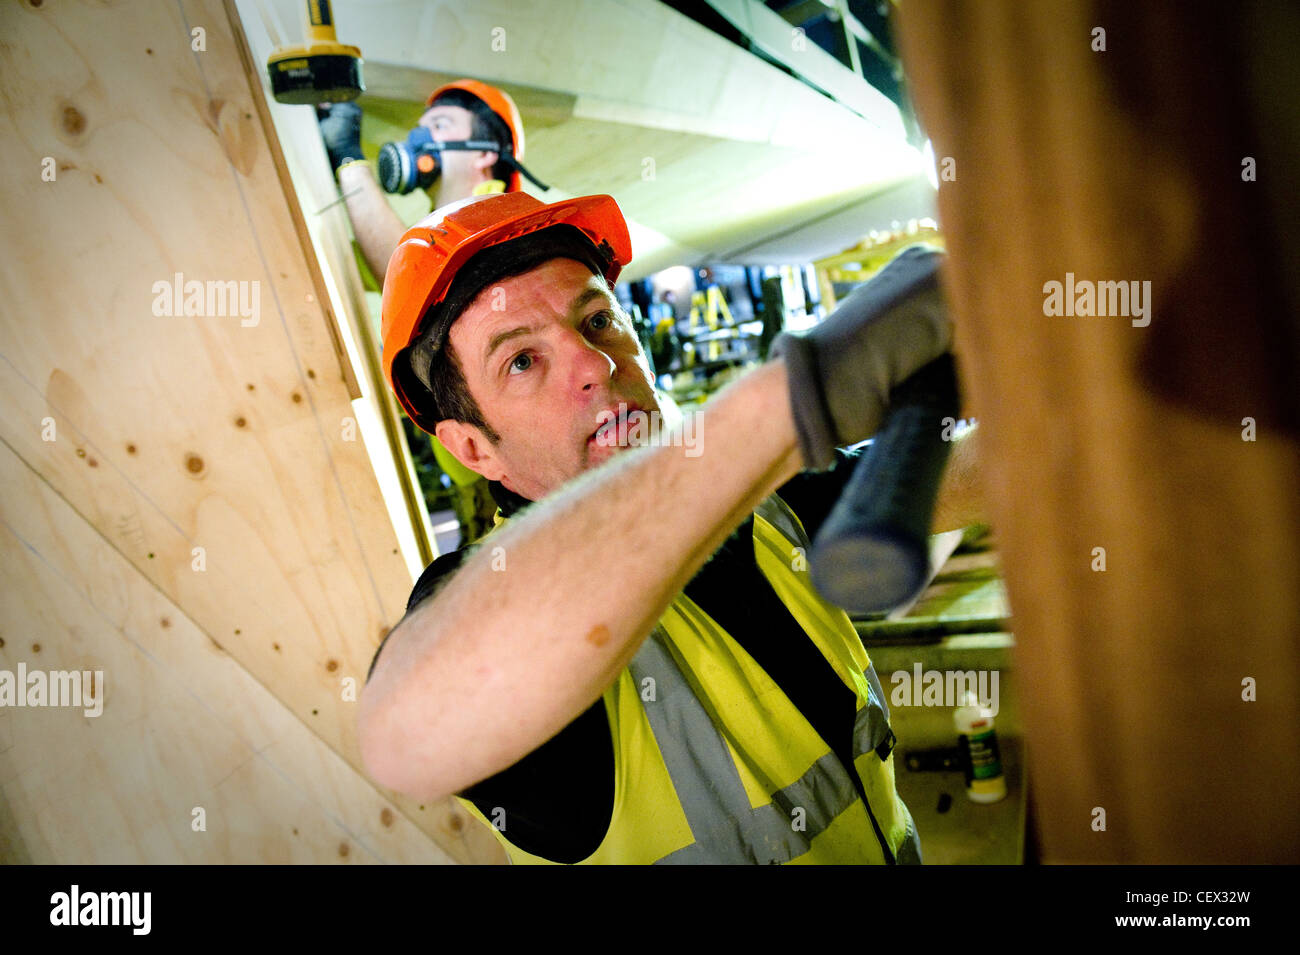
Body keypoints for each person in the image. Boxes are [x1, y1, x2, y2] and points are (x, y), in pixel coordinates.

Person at [359, 190, 984, 864]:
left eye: (597, 319)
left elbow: (983, 470)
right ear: (474, 448)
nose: (595, 365)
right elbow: (404, 733)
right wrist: (791, 398)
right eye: (522, 360)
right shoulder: (484, 602)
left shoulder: (763, 505)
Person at [318, 79, 533, 542]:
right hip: (483, 483)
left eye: (439, 125)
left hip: (525, 482)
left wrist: (351, 163)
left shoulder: (504, 221)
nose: (420, 138)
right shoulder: (429, 233)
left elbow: (410, 279)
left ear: (484, 153)